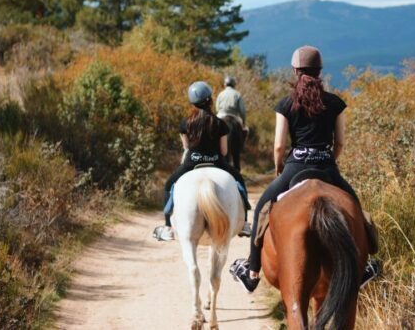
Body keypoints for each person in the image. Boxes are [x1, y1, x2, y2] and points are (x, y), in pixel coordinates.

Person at [229, 46, 381, 292]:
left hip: (294, 168)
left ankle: (252, 270)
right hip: (327, 168)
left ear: (295, 71)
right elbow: (340, 141)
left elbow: (279, 146)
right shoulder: (335, 103)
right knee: (355, 206)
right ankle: (363, 265)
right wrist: (329, 159)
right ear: (319, 72)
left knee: (261, 209)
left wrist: (280, 168)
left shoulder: (286, 104)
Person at [154, 81, 252, 241]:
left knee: (169, 184)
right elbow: (224, 151)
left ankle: (167, 227)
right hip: (217, 162)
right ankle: (245, 224)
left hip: (191, 163)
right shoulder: (220, 124)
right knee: (239, 180)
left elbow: (186, 146)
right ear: (210, 100)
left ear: (192, 102)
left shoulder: (185, 124)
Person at [216, 75, 248, 172]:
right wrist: (243, 122)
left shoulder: (220, 94)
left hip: (221, 116)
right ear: (234, 84)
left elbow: (217, 108)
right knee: (246, 130)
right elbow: (242, 111)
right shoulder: (237, 94)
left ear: (225, 84)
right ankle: (241, 146)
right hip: (234, 116)